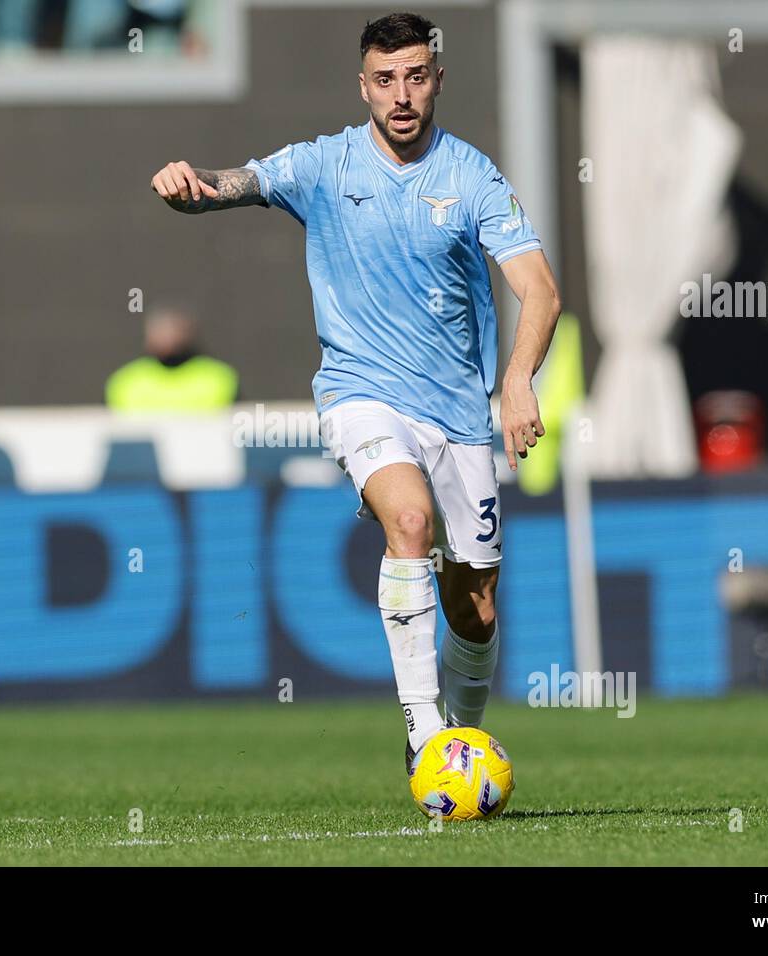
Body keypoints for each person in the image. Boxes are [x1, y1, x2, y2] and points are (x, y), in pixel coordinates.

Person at [149, 12, 561, 775]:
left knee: (474, 609)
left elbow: (539, 290)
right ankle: (425, 733)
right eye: (384, 80)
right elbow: (234, 183)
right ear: (362, 86)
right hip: (360, 392)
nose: (400, 95)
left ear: (436, 78)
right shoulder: (326, 165)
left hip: (459, 415)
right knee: (408, 521)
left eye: (414, 76)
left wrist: (516, 380)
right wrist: (191, 190)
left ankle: (461, 744)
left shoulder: (471, 177)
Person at [105, 307, 238, 412]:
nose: (167, 338)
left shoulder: (218, 378)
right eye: (161, 331)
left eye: (172, 329)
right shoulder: (125, 382)